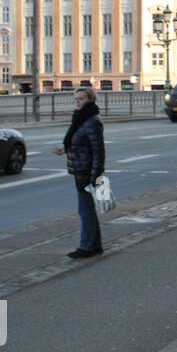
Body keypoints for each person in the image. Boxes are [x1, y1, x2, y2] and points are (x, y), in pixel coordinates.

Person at [53, 86, 107, 258]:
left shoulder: (91, 120)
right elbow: (80, 142)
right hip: (80, 170)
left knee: (85, 211)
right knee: (87, 209)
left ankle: (87, 247)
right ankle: (95, 245)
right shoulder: (81, 118)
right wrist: (65, 149)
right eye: (76, 99)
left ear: (90, 100)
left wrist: (95, 176)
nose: (77, 102)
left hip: (86, 172)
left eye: (81, 99)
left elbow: (98, 150)